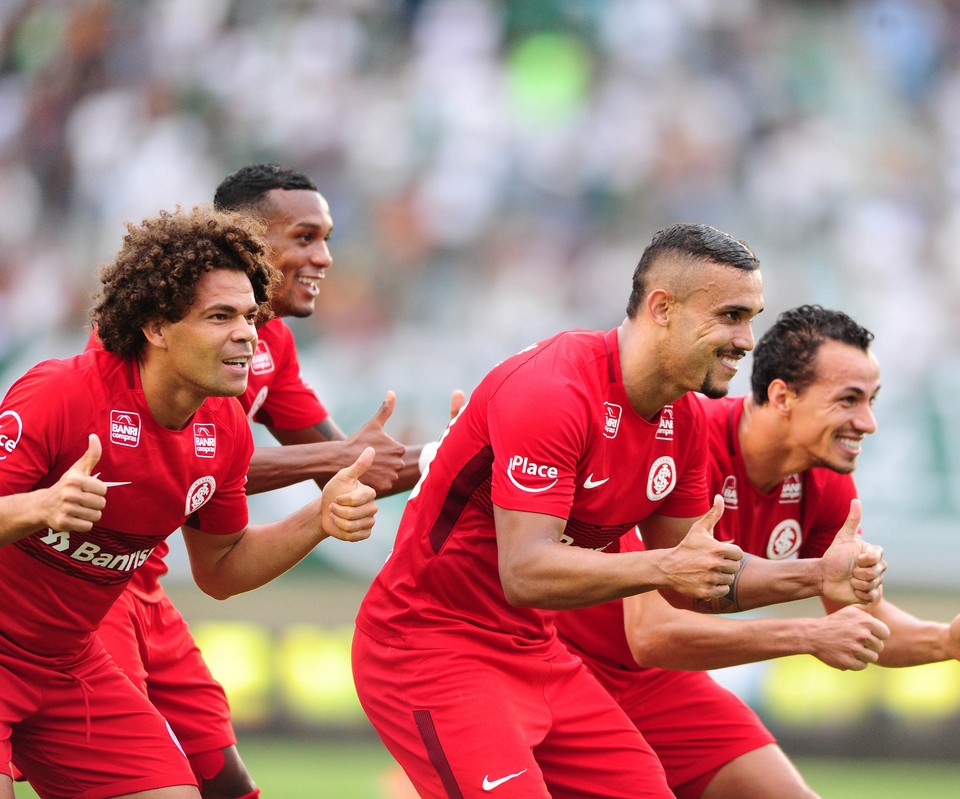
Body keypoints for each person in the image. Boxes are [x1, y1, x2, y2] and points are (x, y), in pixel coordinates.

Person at [352, 224, 886, 799]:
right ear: (662, 308)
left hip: (536, 651)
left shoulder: (683, 421)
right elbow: (525, 572)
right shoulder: (554, 390)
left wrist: (817, 575)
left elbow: (693, 585)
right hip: (429, 644)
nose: (747, 340)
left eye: (751, 318)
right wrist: (667, 567)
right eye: (731, 316)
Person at [554, 304, 960, 799]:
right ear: (782, 396)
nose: (868, 422)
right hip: (560, 666)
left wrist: (946, 641)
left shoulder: (827, 485)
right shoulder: (680, 439)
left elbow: (862, 620)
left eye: (872, 401)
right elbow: (652, 633)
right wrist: (807, 635)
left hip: (655, 684)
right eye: (849, 400)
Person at [0, 206, 378, 799]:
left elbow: (221, 569)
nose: (246, 334)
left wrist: (319, 519)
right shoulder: (62, 393)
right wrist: (39, 507)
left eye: (249, 316)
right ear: (156, 327)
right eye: (220, 316)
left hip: (67, 663)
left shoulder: (225, 427)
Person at [89, 163, 426, 799]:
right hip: (88, 586)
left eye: (326, 238)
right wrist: (334, 464)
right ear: (243, 238)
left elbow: (351, 466)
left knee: (227, 781)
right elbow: (162, 462)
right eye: (304, 237)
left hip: (147, 583)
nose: (324, 257)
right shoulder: (146, 340)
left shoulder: (272, 346)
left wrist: (456, 451)